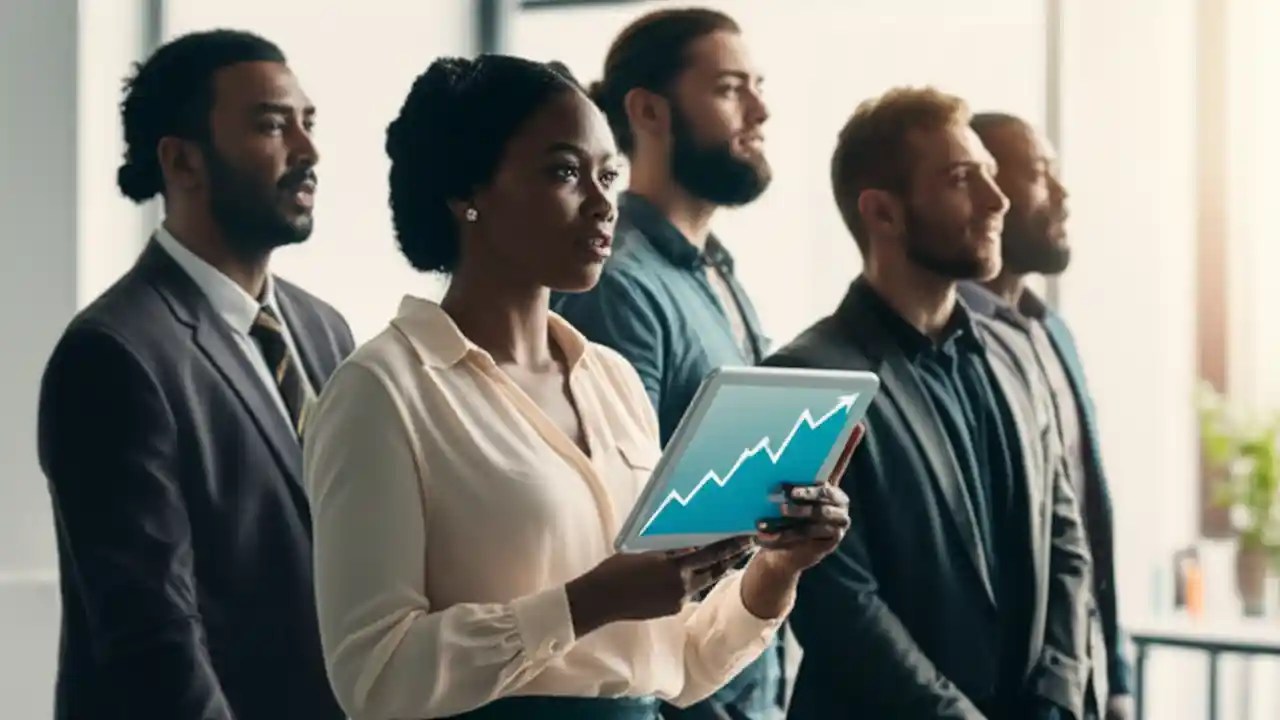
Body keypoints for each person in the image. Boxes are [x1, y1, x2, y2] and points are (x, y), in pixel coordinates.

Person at [302, 54, 855, 720]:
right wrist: (589, 602)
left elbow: (676, 665)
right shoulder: (381, 391)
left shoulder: (612, 381)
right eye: (564, 172)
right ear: (465, 190)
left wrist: (777, 568)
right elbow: (375, 678)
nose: (602, 204)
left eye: (609, 175)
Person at [37, 30, 351, 719]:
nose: (307, 150)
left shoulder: (324, 330)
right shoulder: (112, 353)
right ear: (182, 160)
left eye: (308, 122)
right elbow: (153, 639)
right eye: (272, 125)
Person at [763, 87, 1092, 720]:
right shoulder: (801, 380)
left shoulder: (1016, 354)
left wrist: (1058, 694)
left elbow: (1065, 539)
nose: (997, 201)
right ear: (883, 212)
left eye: (992, 175)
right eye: (963, 179)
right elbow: (839, 607)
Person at [551, 10, 783, 717]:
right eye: (730, 89)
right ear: (649, 111)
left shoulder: (718, 275)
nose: (760, 110)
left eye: (758, 86)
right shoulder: (617, 285)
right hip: (682, 697)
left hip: (743, 678)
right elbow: (619, 531)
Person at [958, 112, 1131, 720]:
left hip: (1085, 676)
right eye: (1038, 173)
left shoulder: (1053, 333)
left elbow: (1089, 514)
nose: (1061, 193)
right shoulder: (950, 347)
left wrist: (1116, 675)